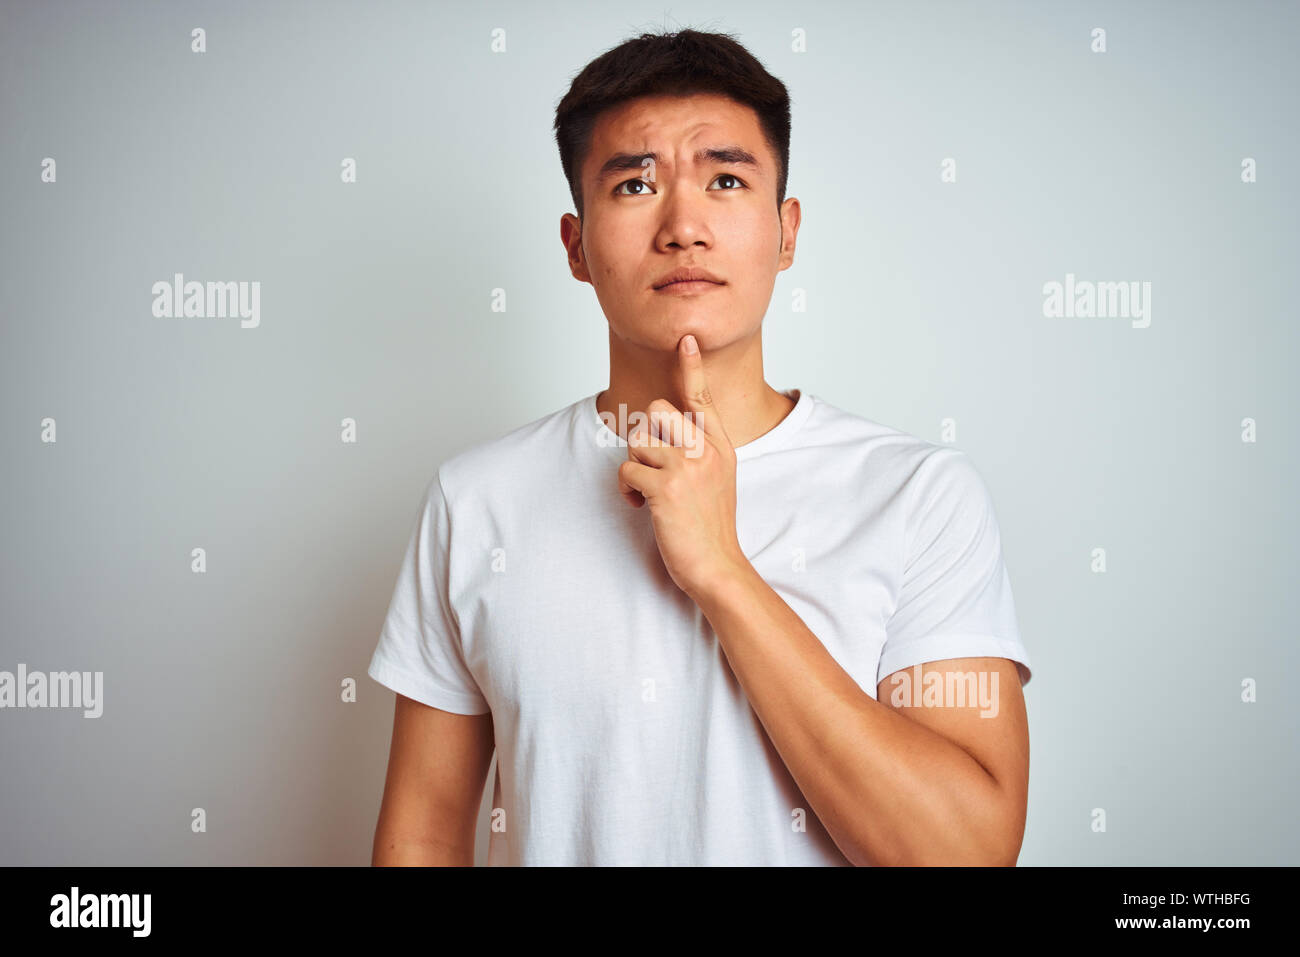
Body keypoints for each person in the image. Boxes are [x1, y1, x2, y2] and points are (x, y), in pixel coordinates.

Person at [368, 27, 1032, 866]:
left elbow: (968, 853)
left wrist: (721, 568)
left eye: (725, 179)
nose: (683, 225)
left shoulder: (920, 495)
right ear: (575, 247)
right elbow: (422, 833)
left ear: (786, 232)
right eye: (636, 184)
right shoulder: (475, 500)